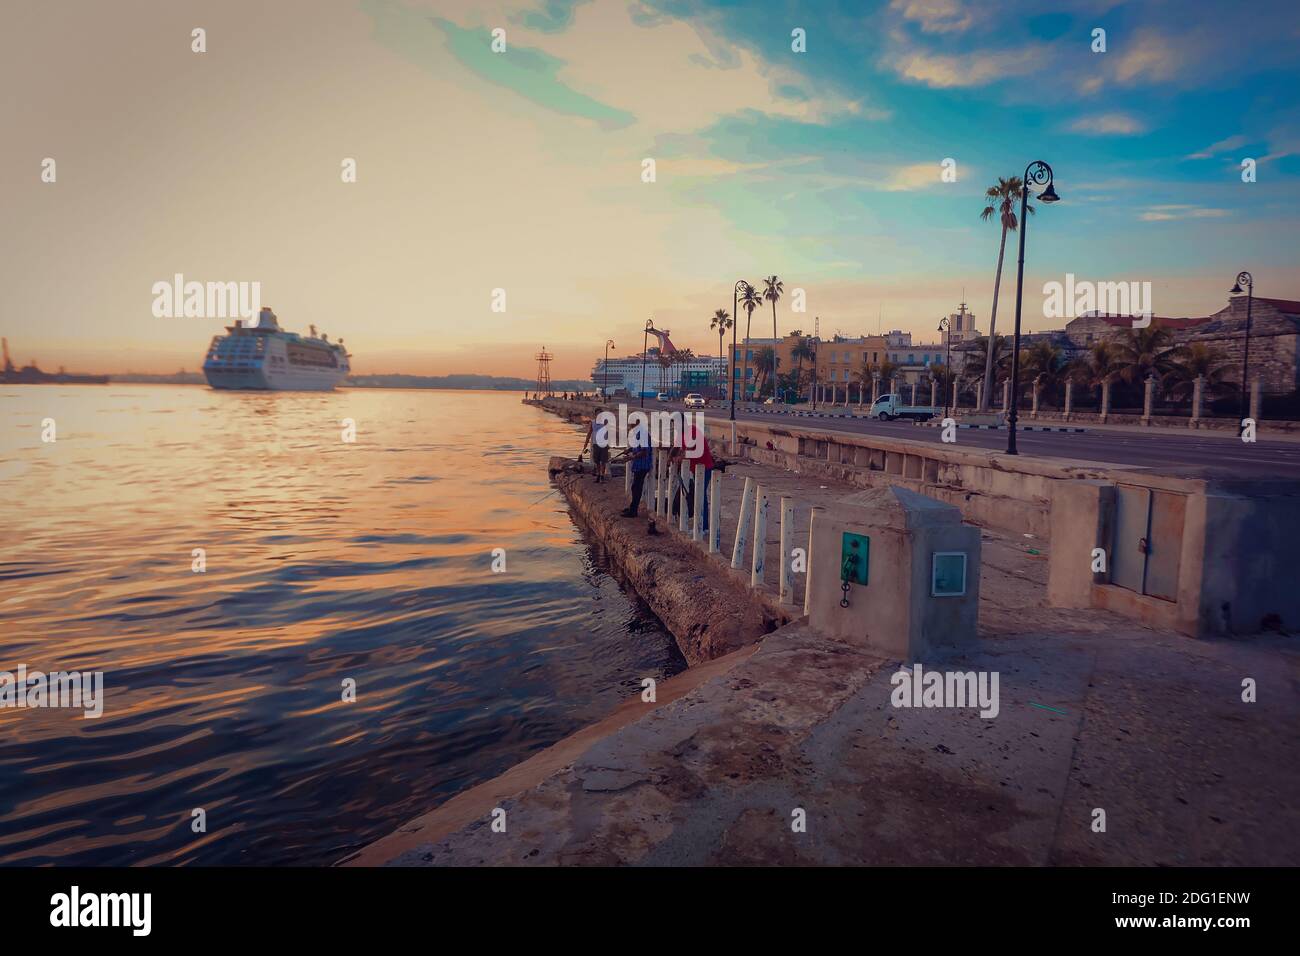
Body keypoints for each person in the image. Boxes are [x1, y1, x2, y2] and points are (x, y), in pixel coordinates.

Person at [618, 416, 653, 517]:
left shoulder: (642, 434)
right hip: (638, 465)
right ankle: (632, 508)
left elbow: (644, 451)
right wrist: (628, 451)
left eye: (632, 423)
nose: (630, 425)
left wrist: (631, 457)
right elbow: (636, 447)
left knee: (637, 488)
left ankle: (633, 511)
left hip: (642, 465)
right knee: (635, 487)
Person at [580, 408, 611, 483]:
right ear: (595, 414)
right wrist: (585, 444)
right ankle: (598, 475)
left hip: (603, 445)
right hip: (595, 444)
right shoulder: (593, 422)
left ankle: (602, 476)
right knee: (596, 461)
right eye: (598, 413)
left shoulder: (605, 422)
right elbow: (589, 434)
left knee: (603, 461)